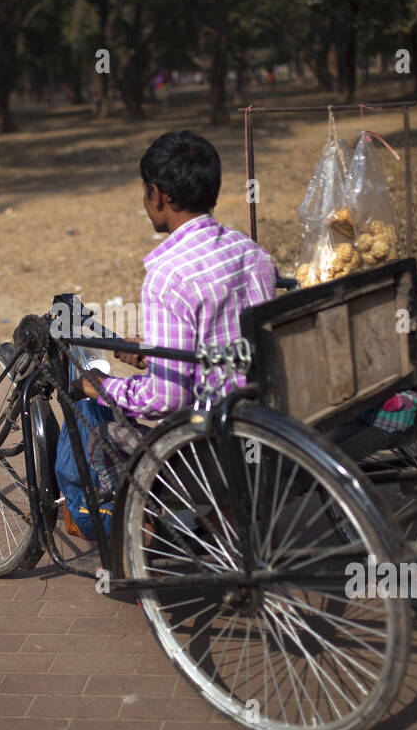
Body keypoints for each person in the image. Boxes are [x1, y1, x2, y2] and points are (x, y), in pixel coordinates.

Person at [57, 130, 278, 539]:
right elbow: (225, 339)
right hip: (262, 416)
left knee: (96, 427)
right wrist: (155, 357)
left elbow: (166, 400)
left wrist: (102, 387)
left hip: (208, 440)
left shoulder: (168, 273)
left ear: (158, 195)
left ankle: (142, 539)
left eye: (145, 193)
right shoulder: (250, 252)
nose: (146, 203)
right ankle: (221, 522)